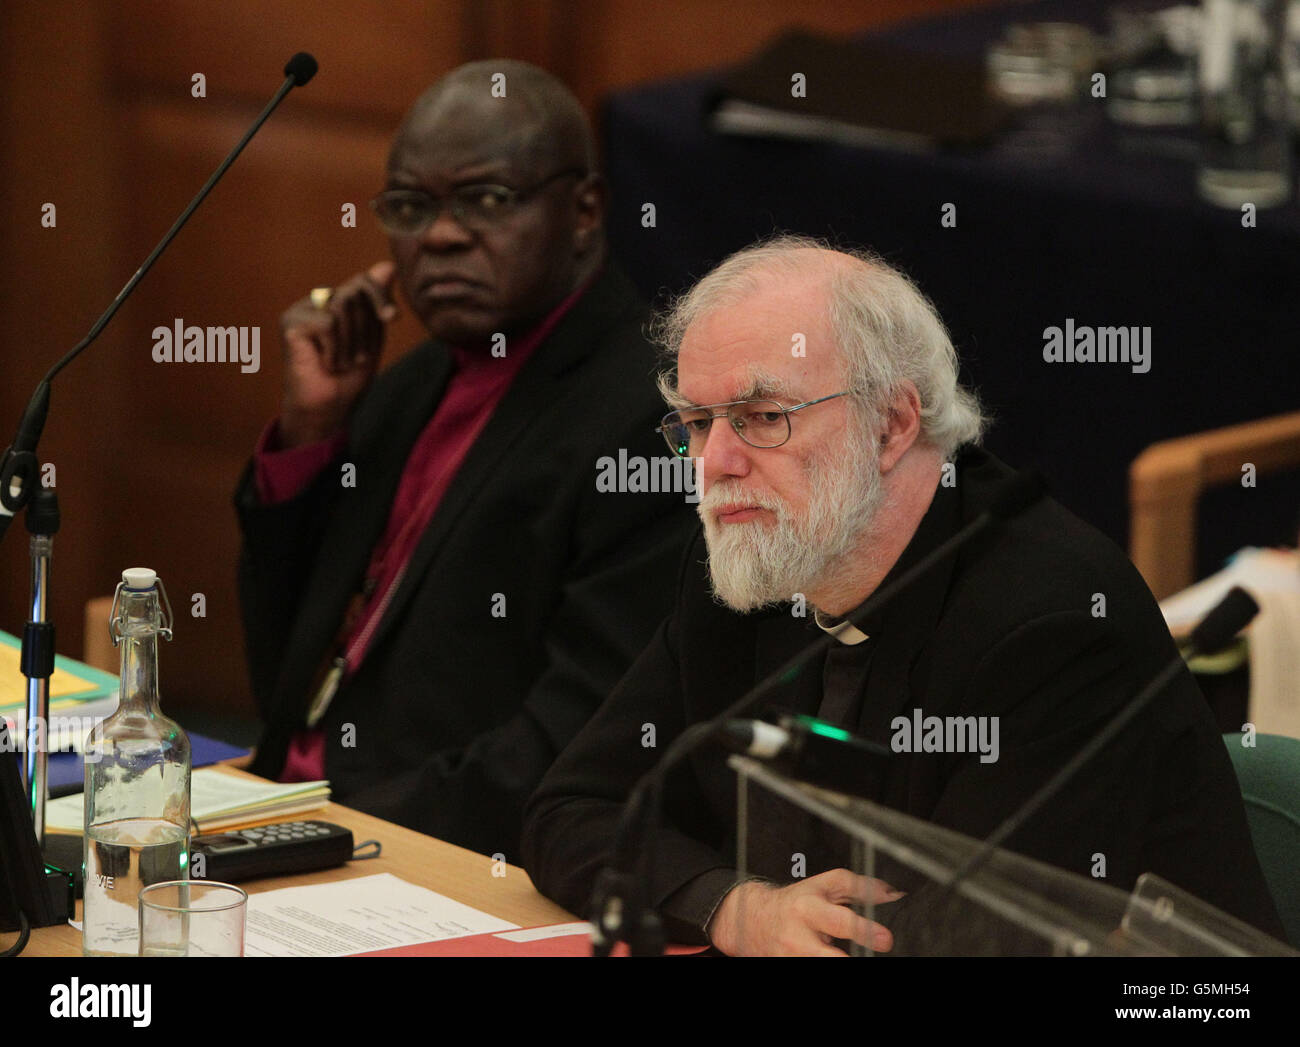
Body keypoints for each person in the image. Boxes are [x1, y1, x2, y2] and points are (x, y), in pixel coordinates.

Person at [521, 236, 1285, 954]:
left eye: (762, 418)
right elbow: (572, 812)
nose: (716, 460)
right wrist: (737, 907)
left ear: (891, 424)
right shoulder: (751, 566)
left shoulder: (1054, 622)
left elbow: (948, 941)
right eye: (696, 421)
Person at [234, 60, 694, 859]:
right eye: (411, 207)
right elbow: (284, 681)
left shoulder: (647, 416)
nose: (440, 236)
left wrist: (343, 833)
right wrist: (312, 437)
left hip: (435, 855)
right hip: (292, 809)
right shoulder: (410, 381)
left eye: (487, 200)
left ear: (585, 209)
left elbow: (574, 746)